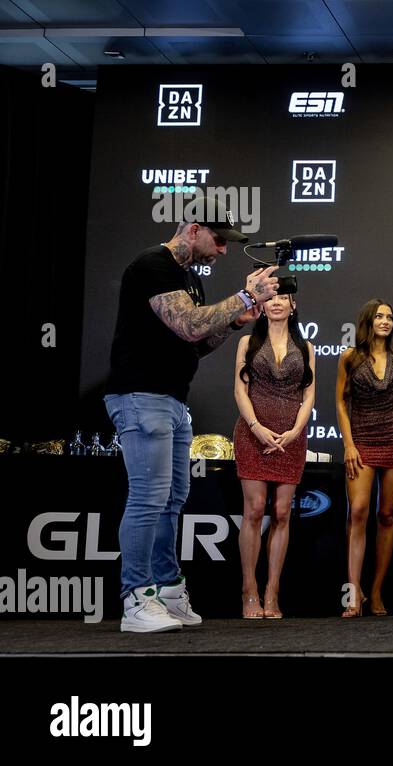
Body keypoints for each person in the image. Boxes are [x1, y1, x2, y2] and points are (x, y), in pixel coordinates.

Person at [104, 194, 276, 632]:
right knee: (148, 498)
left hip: (173, 401)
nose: (222, 250)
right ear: (193, 228)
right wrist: (242, 297)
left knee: (173, 499)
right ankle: (136, 598)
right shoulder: (153, 266)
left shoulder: (188, 280)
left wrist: (236, 321)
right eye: (218, 240)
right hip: (141, 397)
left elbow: (196, 342)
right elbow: (189, 323)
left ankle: (166, 589)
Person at [232, 290, 315, 619]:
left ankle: (272, 591)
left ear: (293, 304)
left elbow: (309, 395)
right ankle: (249, 589)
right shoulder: (247, 344)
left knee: (282, 513)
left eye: (284, 298)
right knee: (253, 510)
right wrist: (256, 427)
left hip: (290, 437)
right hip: (253, 434)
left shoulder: (306, 347)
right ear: (262, 305)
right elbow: (240, 389)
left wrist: (295, 431)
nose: (277, 302)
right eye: (271, 298)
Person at [336, 300, 393, 618]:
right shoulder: (350, 357)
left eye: (389, 317)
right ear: (368, 321)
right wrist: (349, 445)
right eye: (379, 316)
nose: (385, 321)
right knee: (358, 511)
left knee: (387, 515)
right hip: (362, 442)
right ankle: (354, 594)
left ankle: (376, 592)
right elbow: (342, 405)